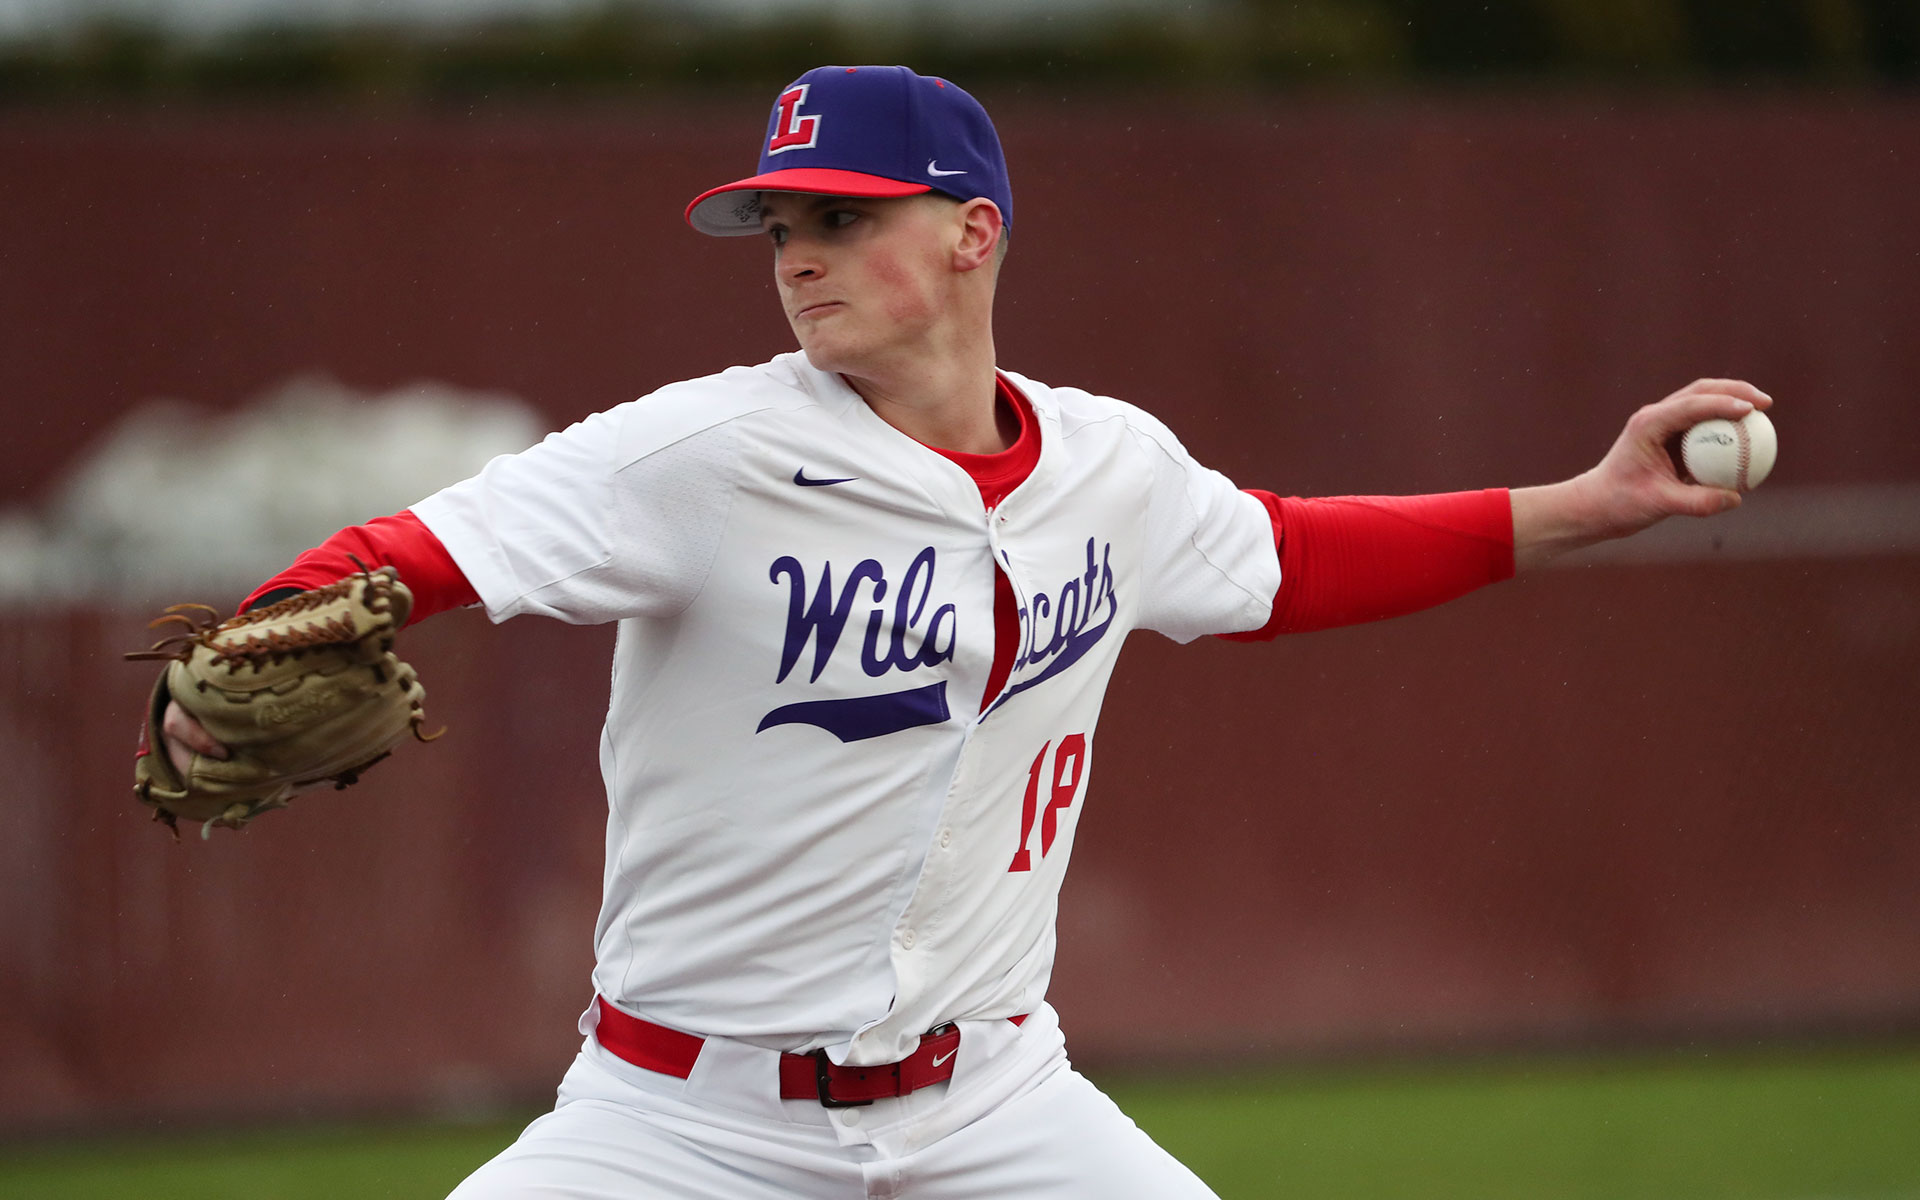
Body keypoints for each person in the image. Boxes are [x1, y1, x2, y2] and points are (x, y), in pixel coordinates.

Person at [156, 65, 1770, 1199]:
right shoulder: (702, 454)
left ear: (972, 234)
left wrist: (1590, 500)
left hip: (995, 1100)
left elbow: (1282, 561)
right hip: (681, 1121)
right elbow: (409, 551)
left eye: (844, 218)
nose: (798, 254)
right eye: (780, 223)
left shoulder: (1107, 467)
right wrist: (227, 679)